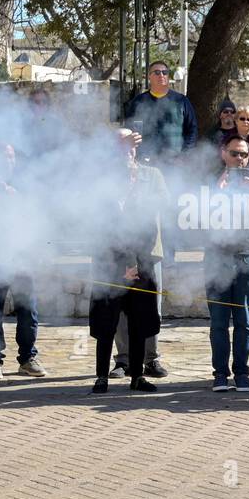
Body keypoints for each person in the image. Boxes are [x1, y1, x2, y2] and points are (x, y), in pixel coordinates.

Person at [89, 129, 166, 393]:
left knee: (139, 319)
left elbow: (152, 221)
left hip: (142, 260)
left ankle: (137, 375)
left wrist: (136, 263)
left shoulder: (150, 177)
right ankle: (101, 376)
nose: (128, 152)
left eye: (131, 147)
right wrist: (123, 263)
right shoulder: (103, 178)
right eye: (121, 146)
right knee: (106, 321)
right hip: (110, 263)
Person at [0, 143, 45, 381]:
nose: (7, 161)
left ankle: (27, 358)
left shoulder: (25, 184)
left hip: (21, 258)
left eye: (10, 157)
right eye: (2, 157)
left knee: (29, 311)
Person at [205, 135, 249, 392]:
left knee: (244, 320)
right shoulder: (208, 183)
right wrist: (217, 194)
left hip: (247, 255)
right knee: (218, 321)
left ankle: (242, 373)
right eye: (234, 153)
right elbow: (193, 221)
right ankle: (220, 374)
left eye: (244, 155)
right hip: (217, 257)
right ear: (223, 153)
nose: (239, 159)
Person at [124, 60, 198, 161]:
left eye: (165, 72)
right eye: (157, 72)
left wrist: (184, 155)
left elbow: (192, 130)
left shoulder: (181, 101)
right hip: (146, 161)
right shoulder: (138, 102)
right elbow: (128, 129)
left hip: (175, 163)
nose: (161, 75)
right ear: (149, 77)